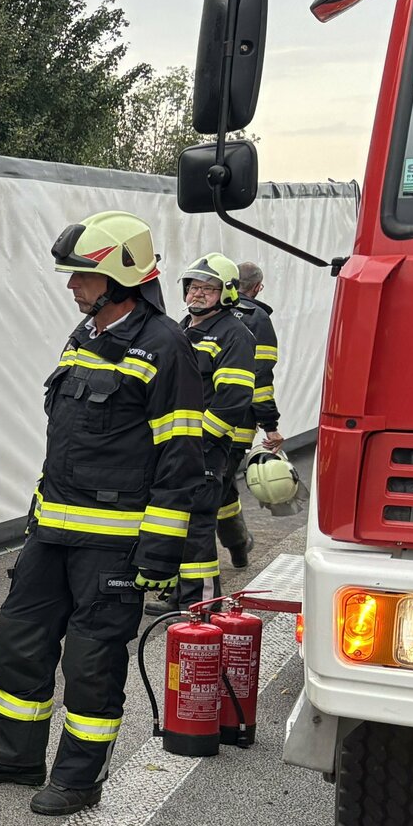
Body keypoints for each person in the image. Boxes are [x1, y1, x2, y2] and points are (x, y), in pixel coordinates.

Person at [0, 213, 206, 816]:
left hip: (114, 545)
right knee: (17, 642)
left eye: (82, 276)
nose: (72, 287)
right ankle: (15, 756)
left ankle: (77, 778)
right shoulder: (85, 332)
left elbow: (181, 458)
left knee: (91, 663)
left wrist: (159, 551)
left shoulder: (167, 347)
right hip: (52, 532)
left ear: (119, 275)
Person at [159, 254, 259, 611]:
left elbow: (232, 398)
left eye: (208, 288)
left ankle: (200, 607)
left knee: (197, 529)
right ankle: (178, 596)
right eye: (194, 287)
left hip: (202, 449)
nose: (197, 294)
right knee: (173, 524)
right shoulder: (182, 328)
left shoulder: (234, 335)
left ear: (228, 293)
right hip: (173, 447)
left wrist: (196, 441)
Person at [227, 260, 284, 556]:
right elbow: (260, 379)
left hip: (193, 420)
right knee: (219, 485)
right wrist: (271, 426)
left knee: (218, 486)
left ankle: (238, 545)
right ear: (258, 287)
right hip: (236, 424)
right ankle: (238, 545)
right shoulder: (258, 319)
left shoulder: (208, 312)